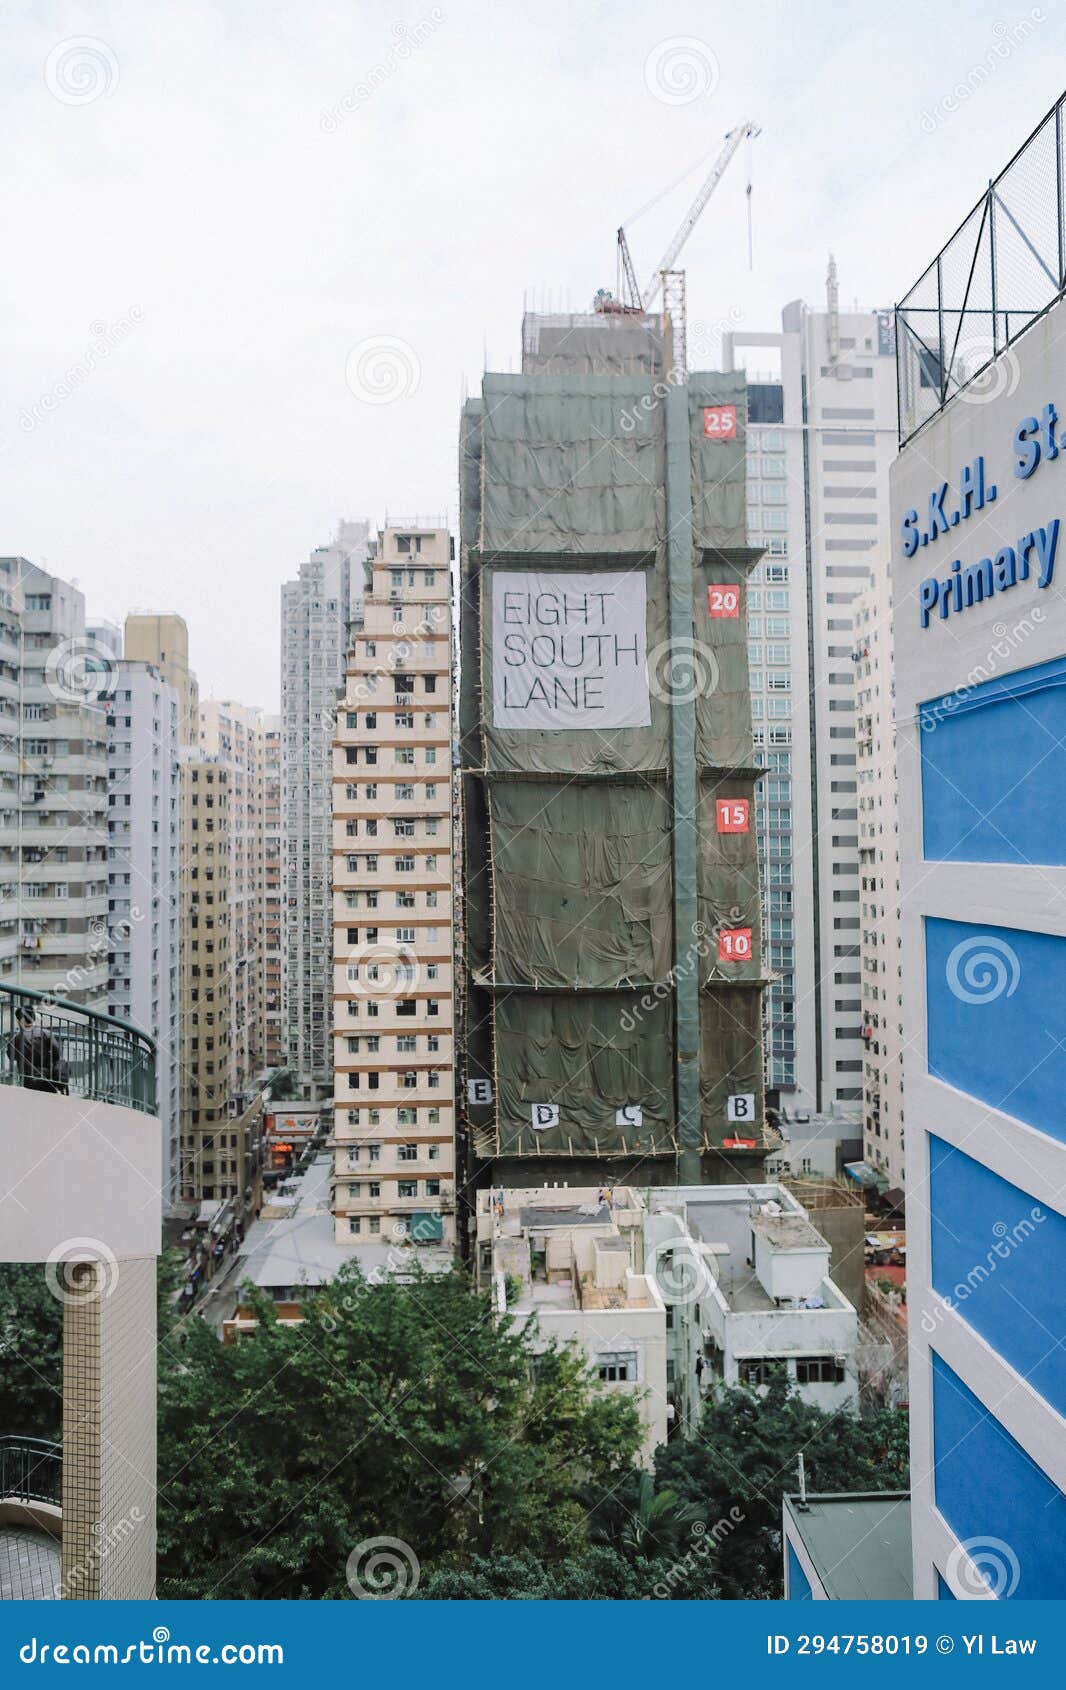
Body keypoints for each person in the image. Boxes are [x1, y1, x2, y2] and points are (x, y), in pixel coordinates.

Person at [6, 1004, 68, 1094]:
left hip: (27, 1080)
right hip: (48, 1078)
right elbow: (57, 1054)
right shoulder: (46, 1033)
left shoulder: (15, 1039)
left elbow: (12, 1057)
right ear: (34, 1018)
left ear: (19, 1021)